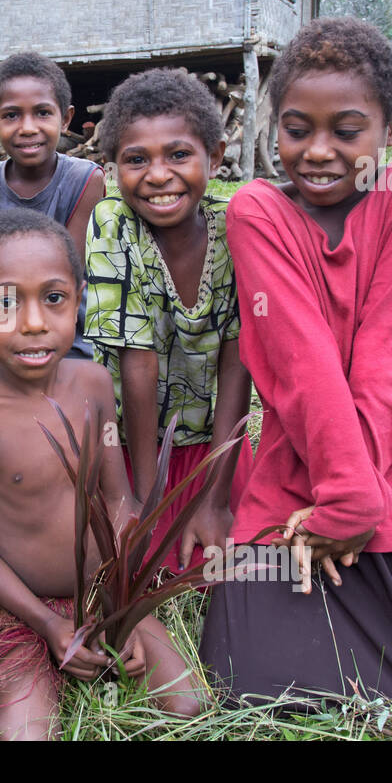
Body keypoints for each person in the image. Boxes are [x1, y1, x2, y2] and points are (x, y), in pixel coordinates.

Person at [200, 16, 392, 736]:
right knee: (248, 691)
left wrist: (353, 505)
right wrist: (334, 499)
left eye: (346, 131)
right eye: (295, 128)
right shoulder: (258, 212)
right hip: (295, 476)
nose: (317, 152)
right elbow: (300, 365)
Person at [0, 210, 201, 740]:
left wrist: (122, 606)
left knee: (186, 707)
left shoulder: (94, 384)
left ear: (78, 299)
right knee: (24, 735)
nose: (33, 322)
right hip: (19, 605)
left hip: (104, 592)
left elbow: (118, 497)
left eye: (54, 298)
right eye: (6, 302)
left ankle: (85, 644)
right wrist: (47, 622)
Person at [84, 68, 253, 574]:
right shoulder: (113, 224)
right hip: (132, 446)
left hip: (211, 445)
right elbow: (136, 365)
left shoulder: (236, 229)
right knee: (130, 559)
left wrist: (216, 495)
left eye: (179, 155)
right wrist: (141, 501)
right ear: (114, 168)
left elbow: (237, 366)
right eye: (136, 160)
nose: (158, 175)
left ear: (215, 156)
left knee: (231, 562)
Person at [0, 52, 105, 358]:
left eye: (42, 113)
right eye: (11, 115)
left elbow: (65, 274)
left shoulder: (85, 179)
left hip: (68, 340)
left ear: (66, 119)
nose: (27, 127)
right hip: (6, 337)